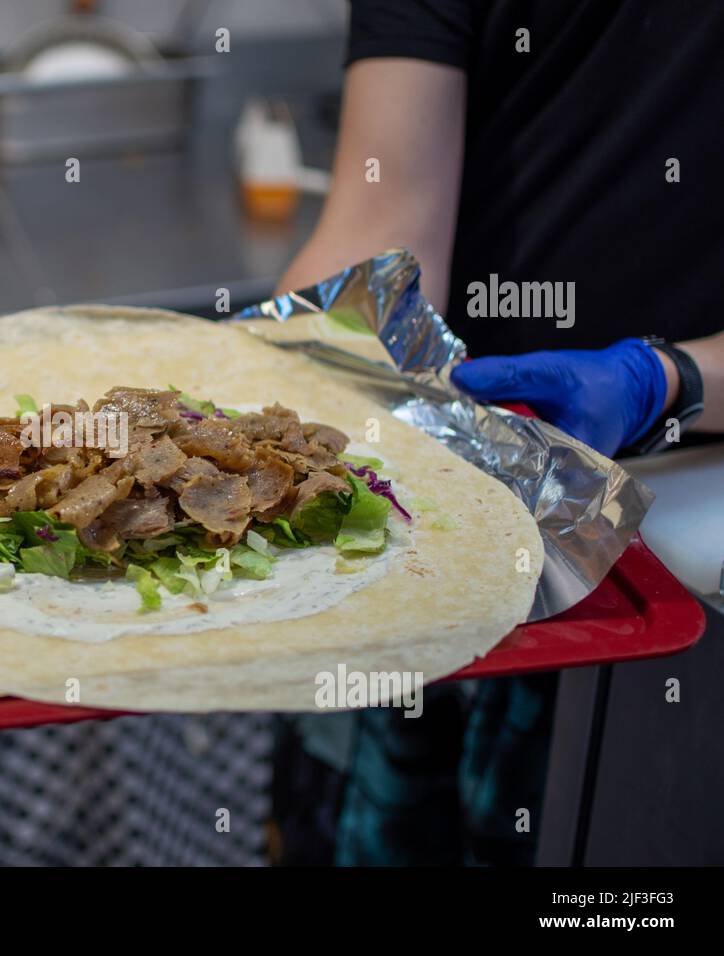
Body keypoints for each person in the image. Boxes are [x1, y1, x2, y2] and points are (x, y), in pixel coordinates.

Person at [273, 0, 723, 865]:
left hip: (692, 535)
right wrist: (270, 387)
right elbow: (381, 229)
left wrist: (670, 380)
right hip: (440, 513)